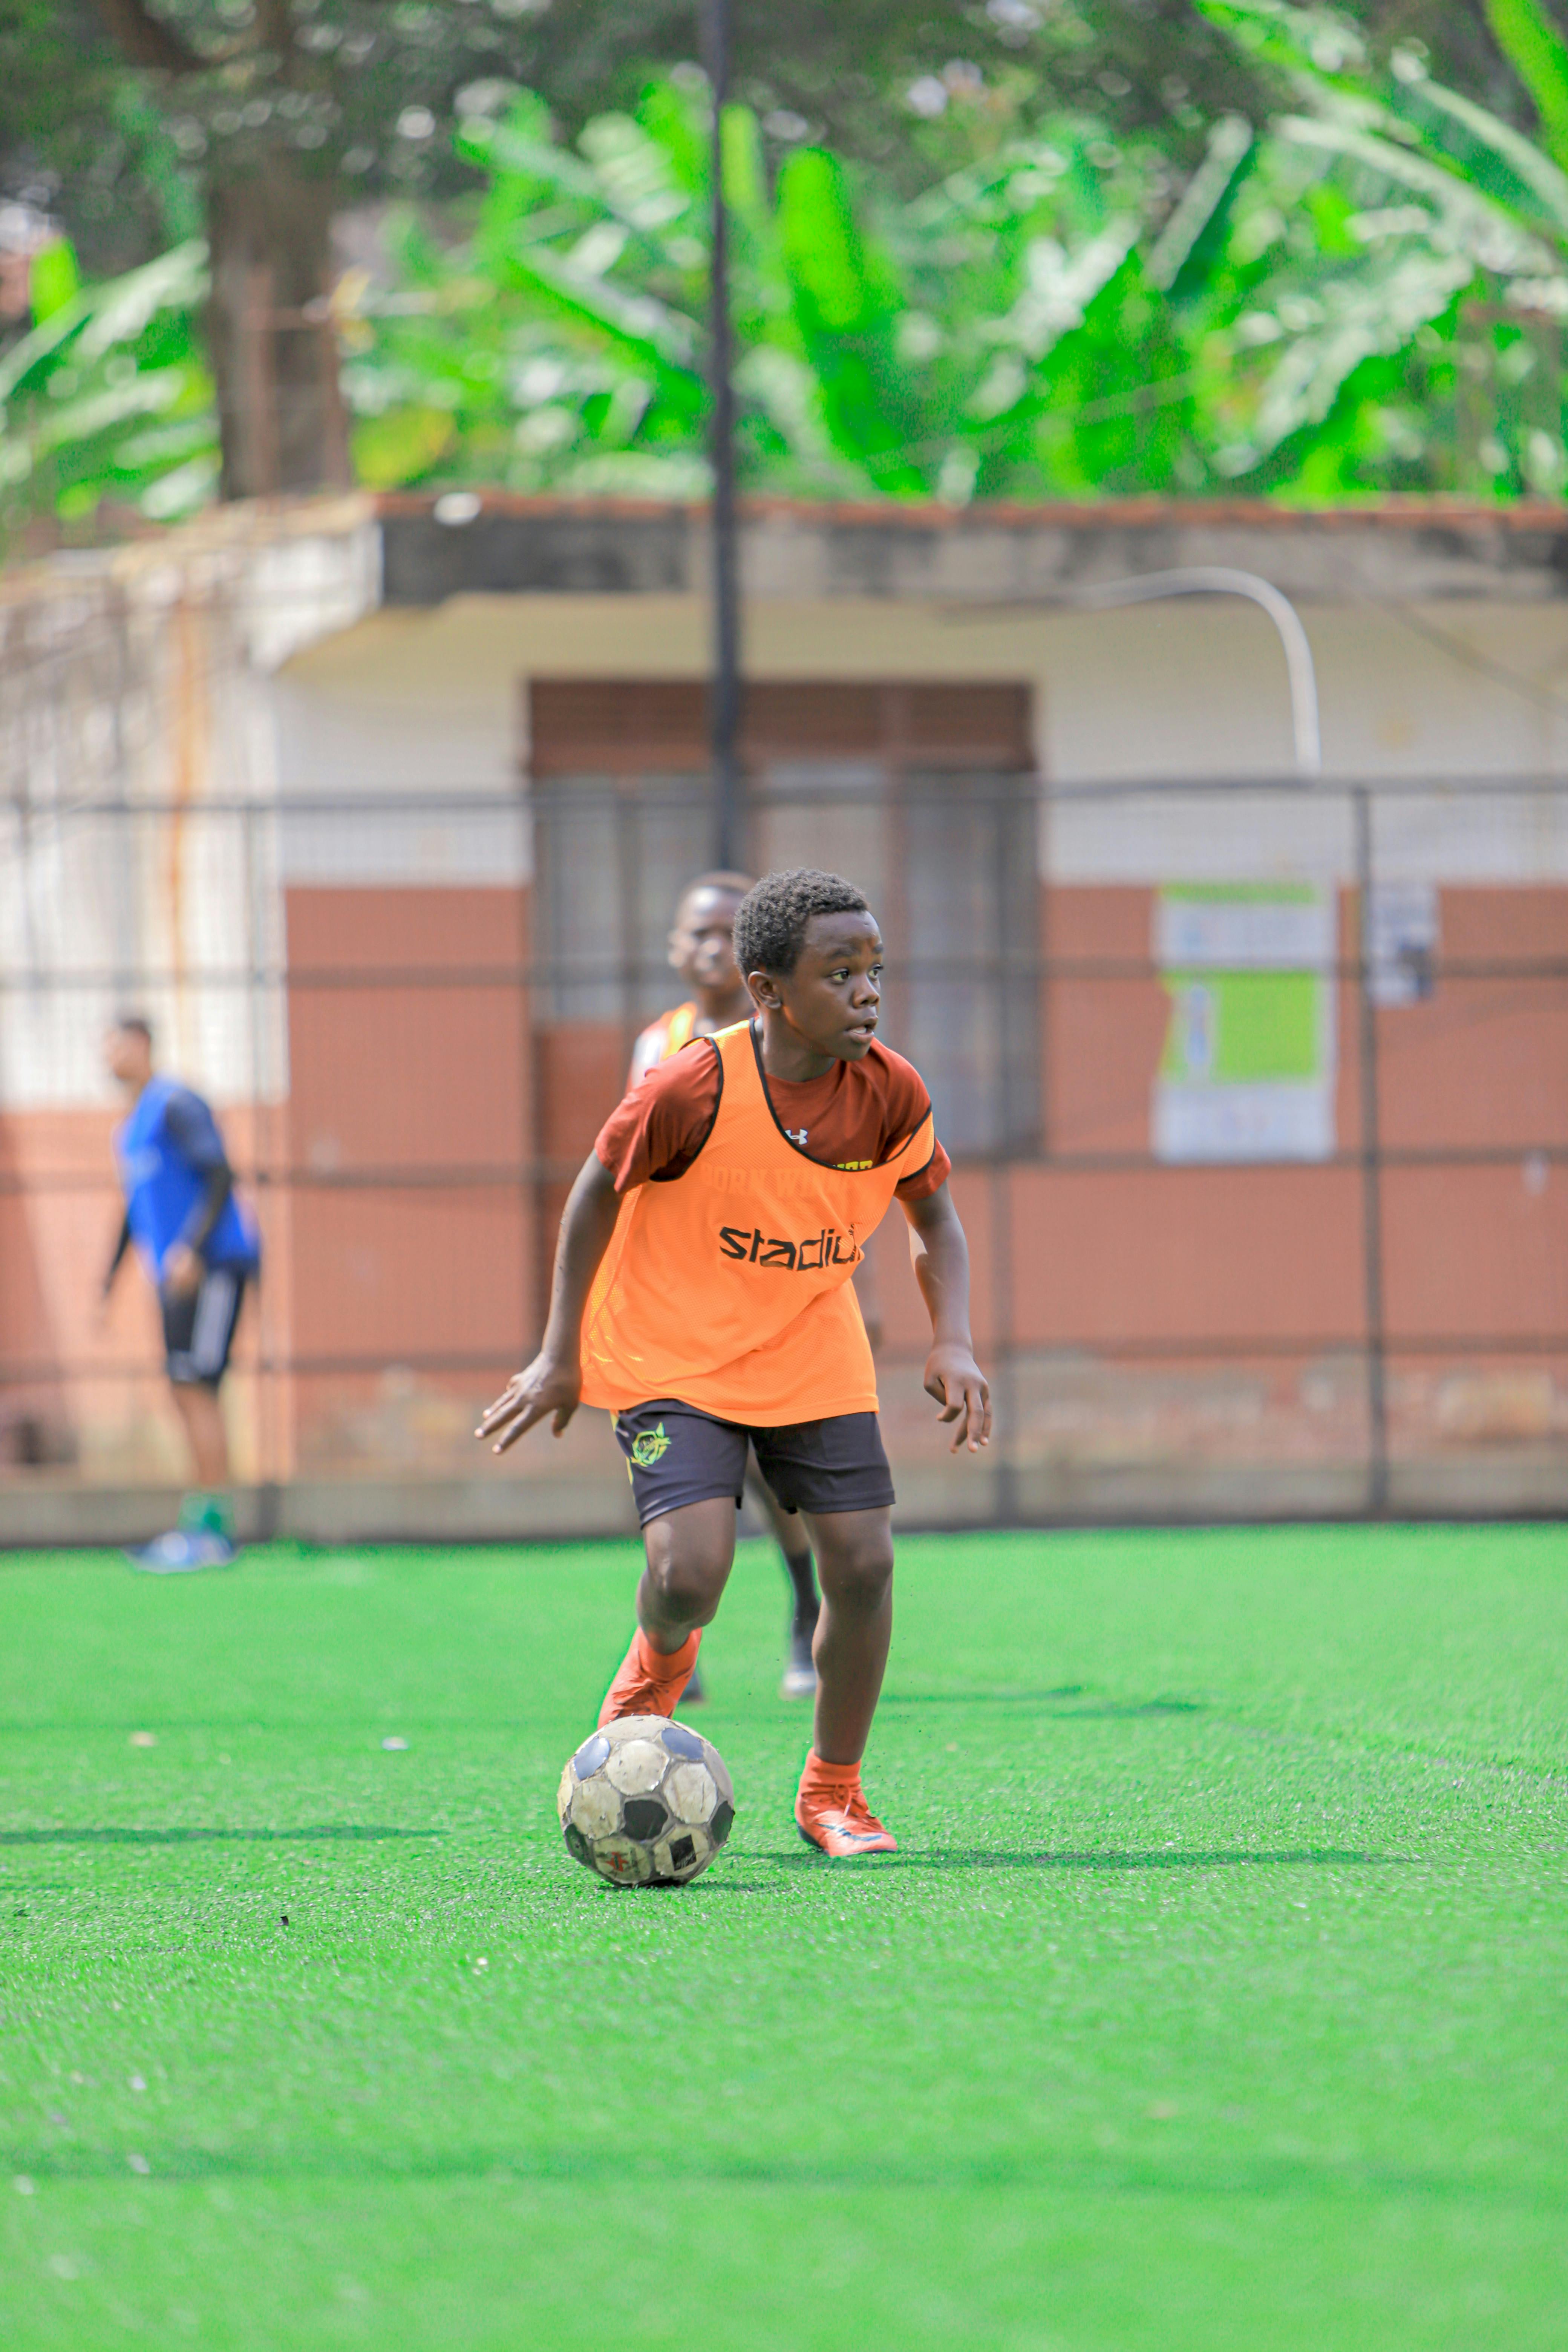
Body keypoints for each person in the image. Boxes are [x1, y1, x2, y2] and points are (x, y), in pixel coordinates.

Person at [478, 868, 990, 1858]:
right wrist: (559, 1355)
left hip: (810, 1348)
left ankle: (833, 1793)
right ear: (770, 991)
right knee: (689, 1572)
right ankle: (655, 1671)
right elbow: (593, 1191)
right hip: (676, 1354)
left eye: (876, 971)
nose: (869, 994)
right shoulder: (691, 1084)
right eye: (841, 974)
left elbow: (934, 1215)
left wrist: (952, 1337)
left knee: (866, 1563)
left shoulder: (891, 1090)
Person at [630, 869, 825, 1704]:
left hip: (772, 1298)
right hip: (677, 1303)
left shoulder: (786, 1038)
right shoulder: (658, 1045)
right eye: (697, 932)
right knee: (678, 1476)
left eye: (728, 932)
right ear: (674, 948)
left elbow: (836, 1176)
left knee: (775, 1478)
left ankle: (804, 1611)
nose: (711, 947)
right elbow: (632, 1166)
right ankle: (677, 1645)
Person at [100, 1015, 260, 1572]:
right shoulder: (131, 1126)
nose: (107, 1055)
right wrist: (110, 1280)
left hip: (213, 1267)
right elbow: (134, 1209)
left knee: (199, 1386)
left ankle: (214, 1531)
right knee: (181, 1386)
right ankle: (199, 1521)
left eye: (114, 1043)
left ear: (142, 1044)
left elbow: (220, 1174)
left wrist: (192, 1247)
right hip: (172, 1279)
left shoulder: (177, 1104)